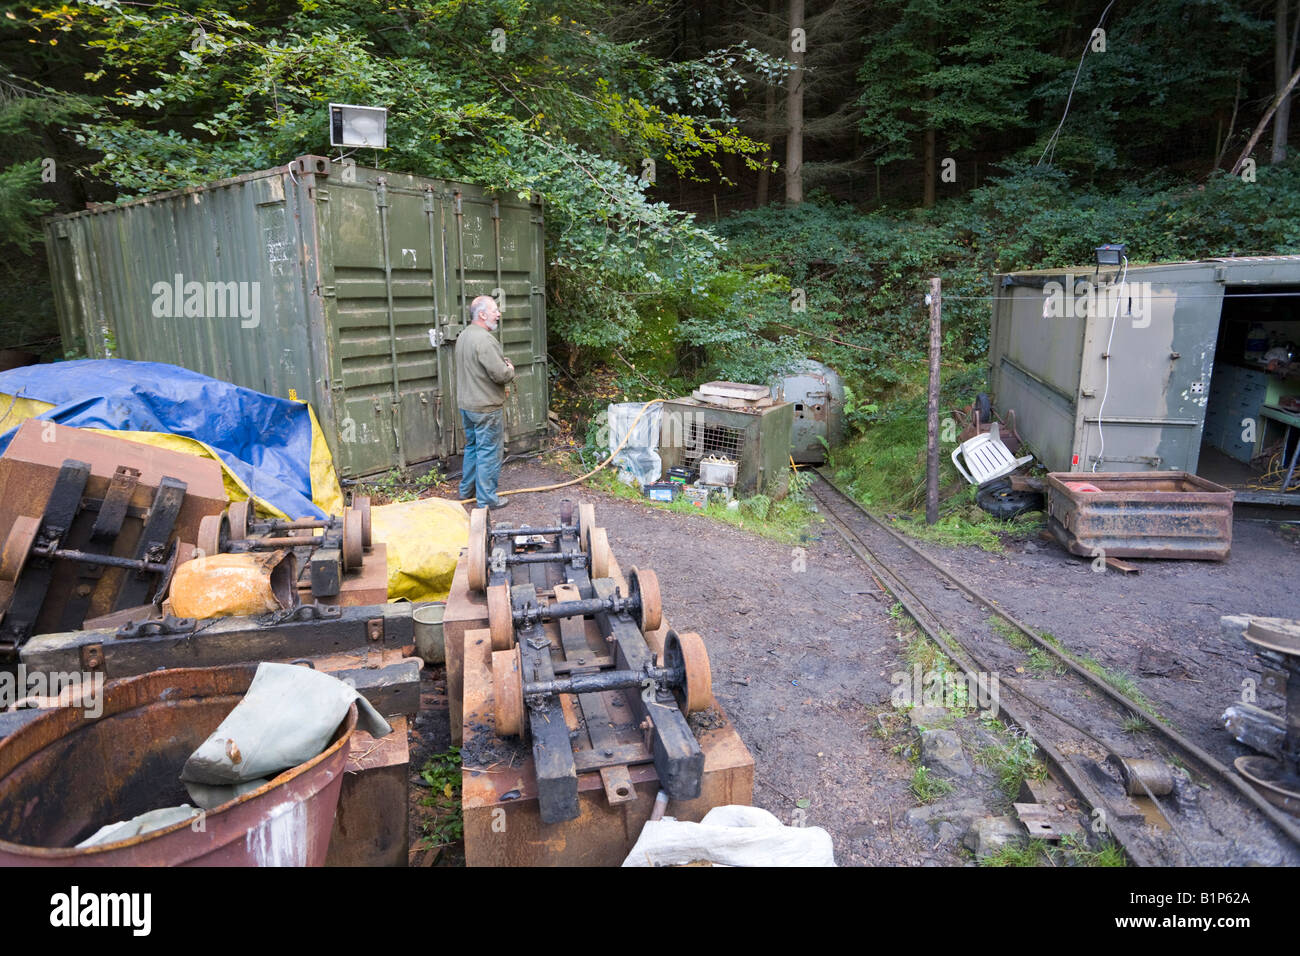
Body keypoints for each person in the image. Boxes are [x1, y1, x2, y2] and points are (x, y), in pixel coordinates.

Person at [455, 294, 515, 509]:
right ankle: (487, 500)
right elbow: (500, 375)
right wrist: (510, 370)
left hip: (467, 405)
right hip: (485, 408)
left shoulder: (464, 335)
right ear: (482, 314)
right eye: (494, 311)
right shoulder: (484, 339)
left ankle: (466, 492)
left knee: (473, 447)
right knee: (489, 451)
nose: (498, 314)